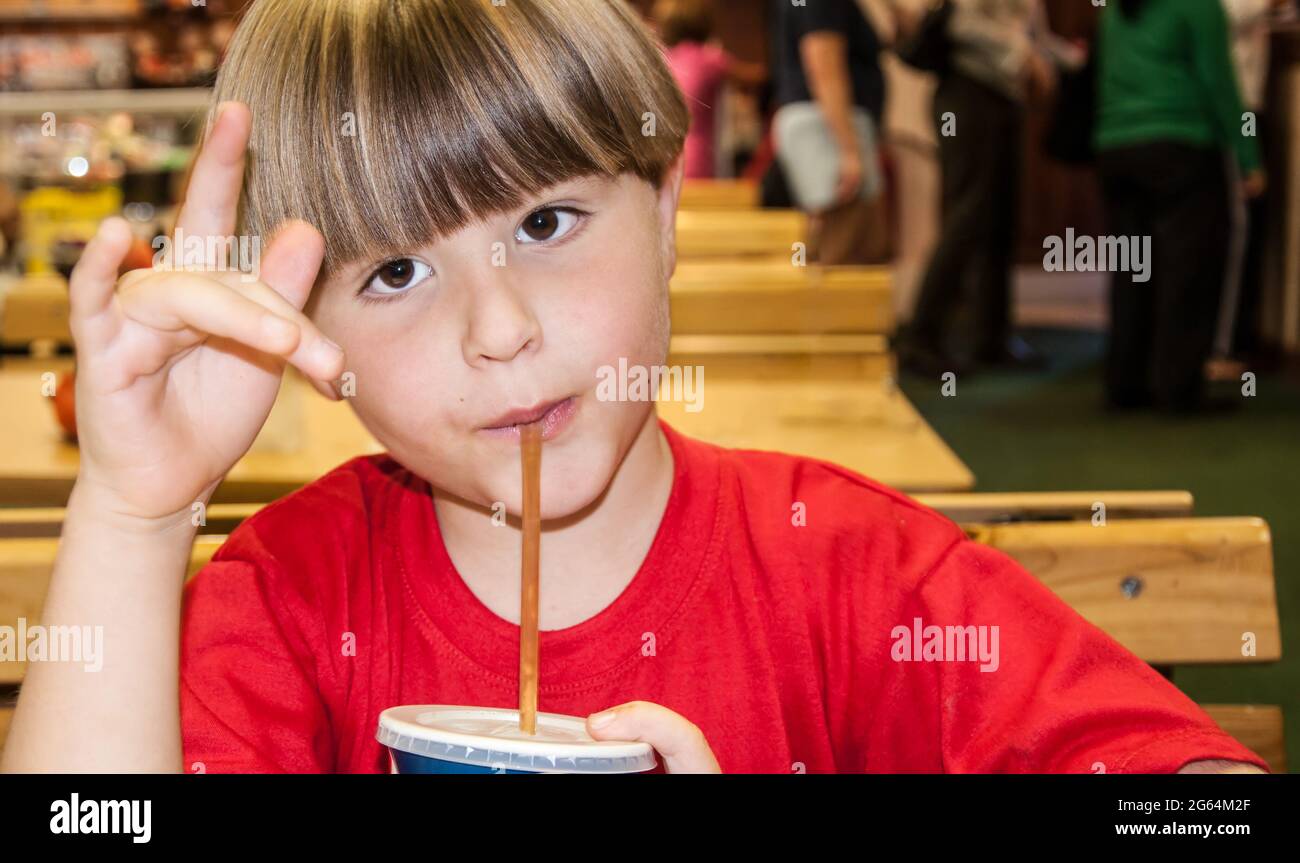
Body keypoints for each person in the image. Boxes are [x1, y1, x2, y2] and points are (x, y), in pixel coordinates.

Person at [2, 0, 1265, 775]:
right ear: (294, 320)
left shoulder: (862, 578)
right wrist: (133, 512)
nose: (498, 329)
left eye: (547, 220)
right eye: (393, 270)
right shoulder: (284, 601)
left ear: (663, 208)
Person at [1095, 0, 1264, 412]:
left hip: (1117, 148)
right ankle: (1179, 389)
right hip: (1180, 144)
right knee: (1188, 271)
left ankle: (1126, 384)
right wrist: (1248, 157)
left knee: (1133, 268)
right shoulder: (1199, 6)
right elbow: (1219, 83)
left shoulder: (1115, 10)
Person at [898, 0, 1082, 377]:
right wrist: (1023, 55)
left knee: (1001, 222)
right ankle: (921, 337)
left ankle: (991, 339)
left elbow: (1033, 37)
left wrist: (1072, 58)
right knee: (966, 217)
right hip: (967, 94)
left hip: (1005, 97)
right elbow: (964, 25)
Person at [769, 0, 891, 264]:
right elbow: (823, 63)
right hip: (827, 126)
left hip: (824, 124)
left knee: (854, 244)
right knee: (843, 250)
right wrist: (848, 150)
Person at [655, 0, 766, 179]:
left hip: (666, 156)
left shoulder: (664, 60)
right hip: (699, 158)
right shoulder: (709, 59)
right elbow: (754, 78)